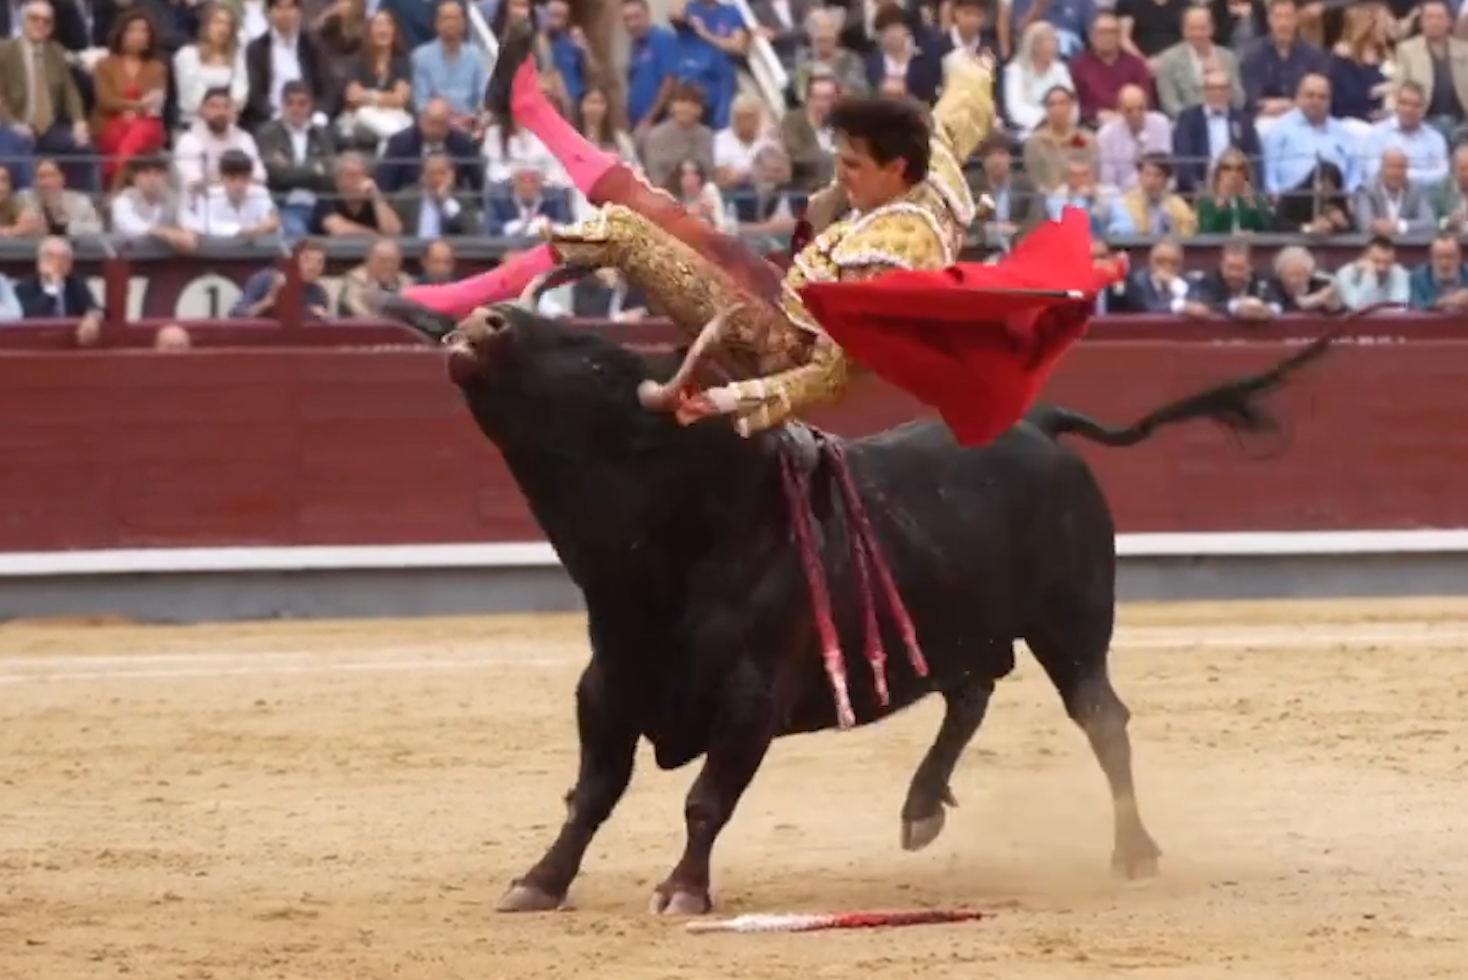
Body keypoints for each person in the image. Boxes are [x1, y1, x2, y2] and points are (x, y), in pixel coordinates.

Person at [389, 27, 1116, 443]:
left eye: (855, 167)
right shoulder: (935, 160)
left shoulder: (895, 255)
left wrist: (735, 402)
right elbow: (961, 111)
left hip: (774, 343)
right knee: (654, 206)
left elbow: (833, 373)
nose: (842, 177)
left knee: (623, 229)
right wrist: (975, 62)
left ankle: (464, 303)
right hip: (781, 291)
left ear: (897, 170)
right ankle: (528, 107)